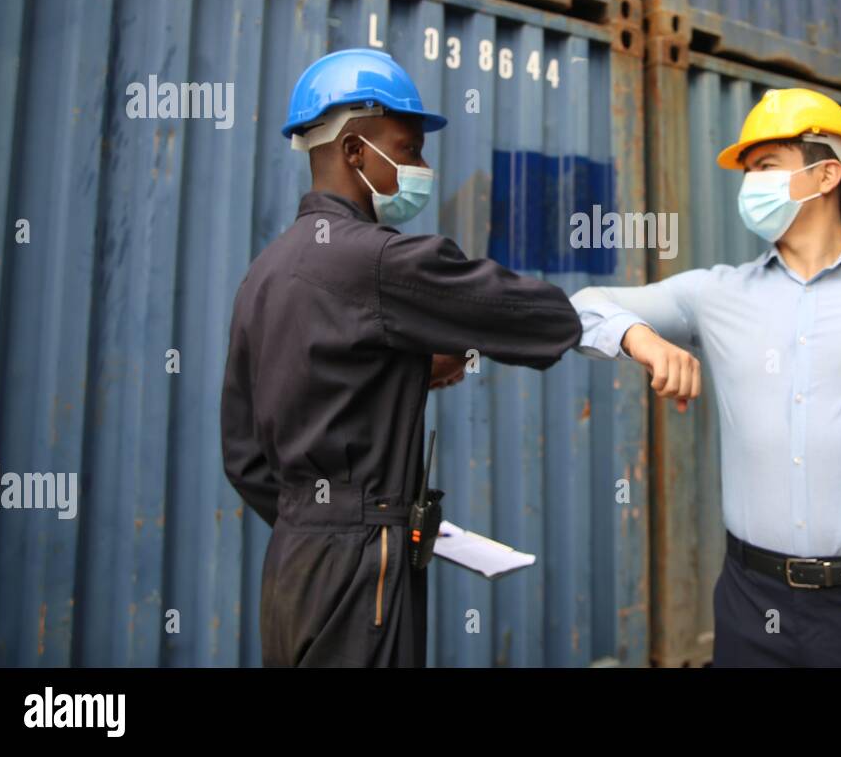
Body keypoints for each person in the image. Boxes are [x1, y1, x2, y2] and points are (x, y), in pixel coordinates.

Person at [570, 88, 841, 667]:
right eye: (747, 172)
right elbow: (580, 308)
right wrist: (638, 337)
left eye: (766, 167)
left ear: (825, 175)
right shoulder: (714, 294)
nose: (750, 185)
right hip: (751, 604)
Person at [220, 48, 581, 666]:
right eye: (409, 148)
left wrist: (319, 520)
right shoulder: (381, 259)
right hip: (364, 571)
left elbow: (245, 456)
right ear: (355, 151)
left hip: (292, 567)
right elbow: (538, 317)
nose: (421, 166)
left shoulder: (264, 274)